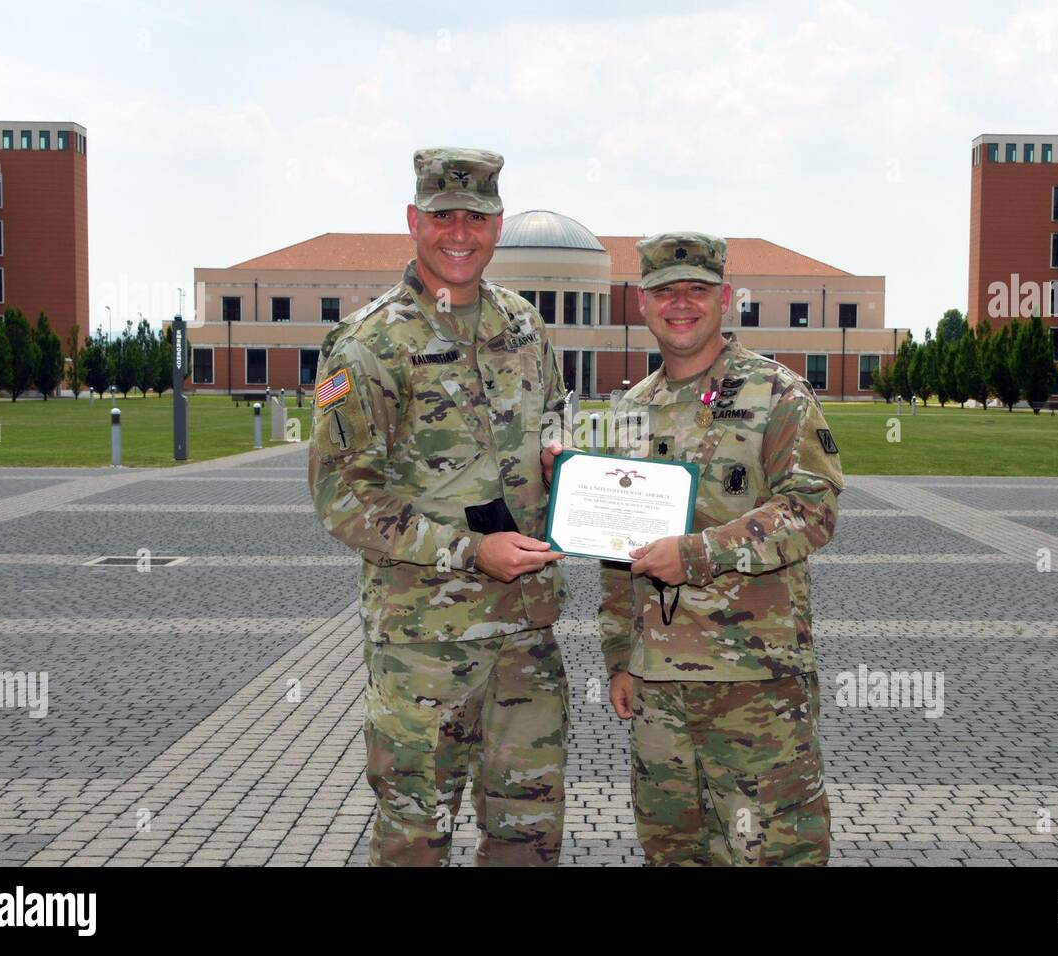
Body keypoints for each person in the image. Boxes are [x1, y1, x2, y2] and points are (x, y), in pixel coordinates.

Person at [309, 148, 570, 866]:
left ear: (498, 225)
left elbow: (556, 420)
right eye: (443, 215)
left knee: (528, 833)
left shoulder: (525, 327)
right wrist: (466, 549)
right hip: (424, 649)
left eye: (477, 217)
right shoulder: (367, 346)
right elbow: (343, 496)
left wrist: (564, 464)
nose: (460, 231)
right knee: (416, 839)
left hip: (524, 639)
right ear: (413, 221)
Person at [599, 231, 845, 866]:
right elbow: (613, 553)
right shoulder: (628, 411)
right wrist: (618, 659)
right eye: (665, 291)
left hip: (754, 684)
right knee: (673, 850)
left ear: (725, 298)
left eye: (698, 290)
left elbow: (813, 509)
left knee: (770, 851)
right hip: (657, 687)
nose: (681, 303)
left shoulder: (777, 394)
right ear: (643, 303)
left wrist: (701, 553)